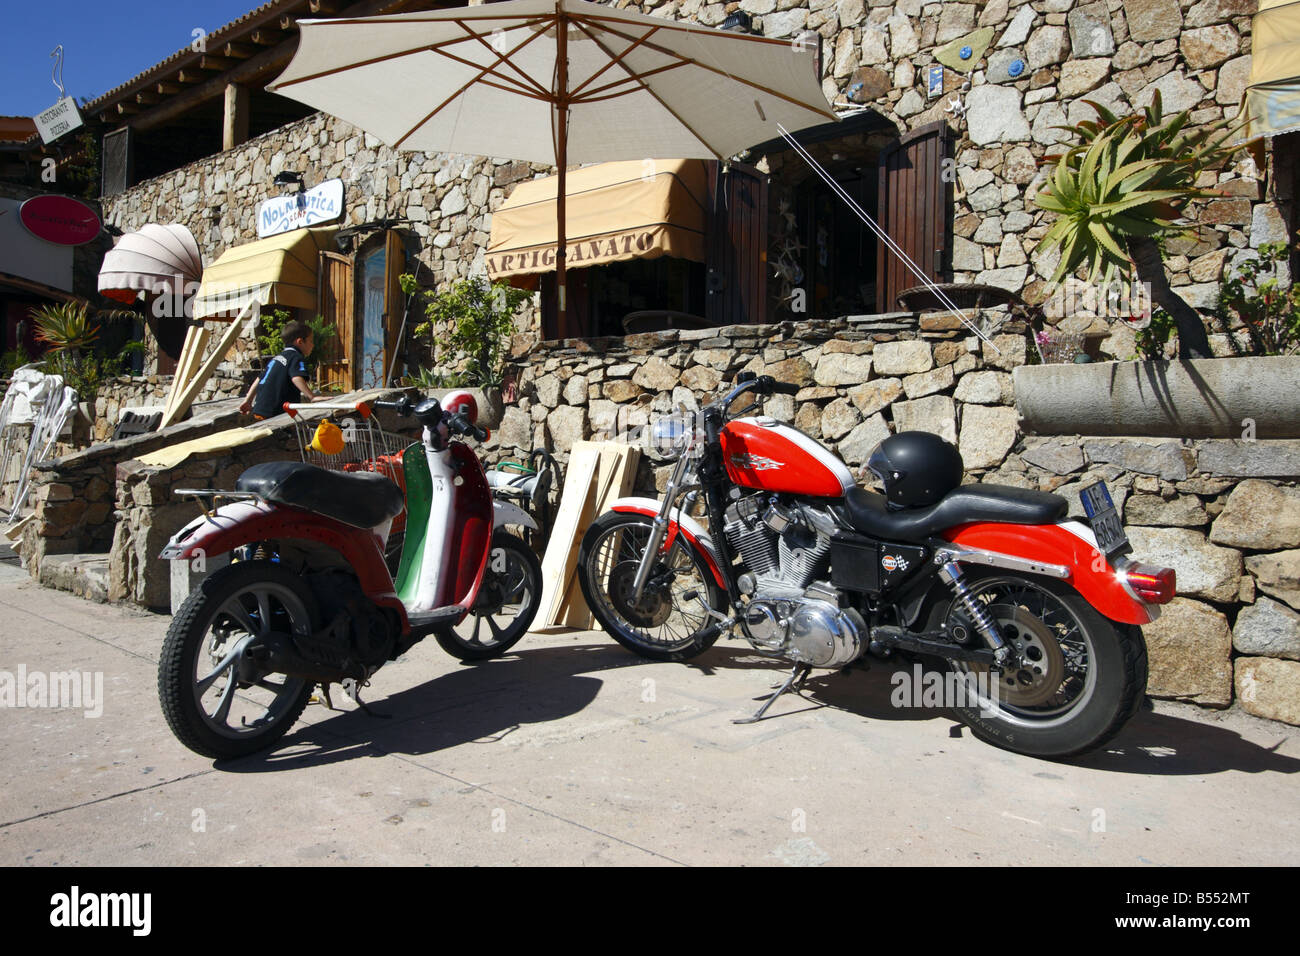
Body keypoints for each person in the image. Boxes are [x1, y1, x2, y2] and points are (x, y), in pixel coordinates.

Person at [239, 320, 324, 418]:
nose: (313, 345)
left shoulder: (276, 359)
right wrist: (312, 397)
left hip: (259, 409)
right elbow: (296, 377)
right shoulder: (296, 357)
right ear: (300, 342)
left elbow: (259, 379)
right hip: (277, 412)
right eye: (311, 341)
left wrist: (248, 401)